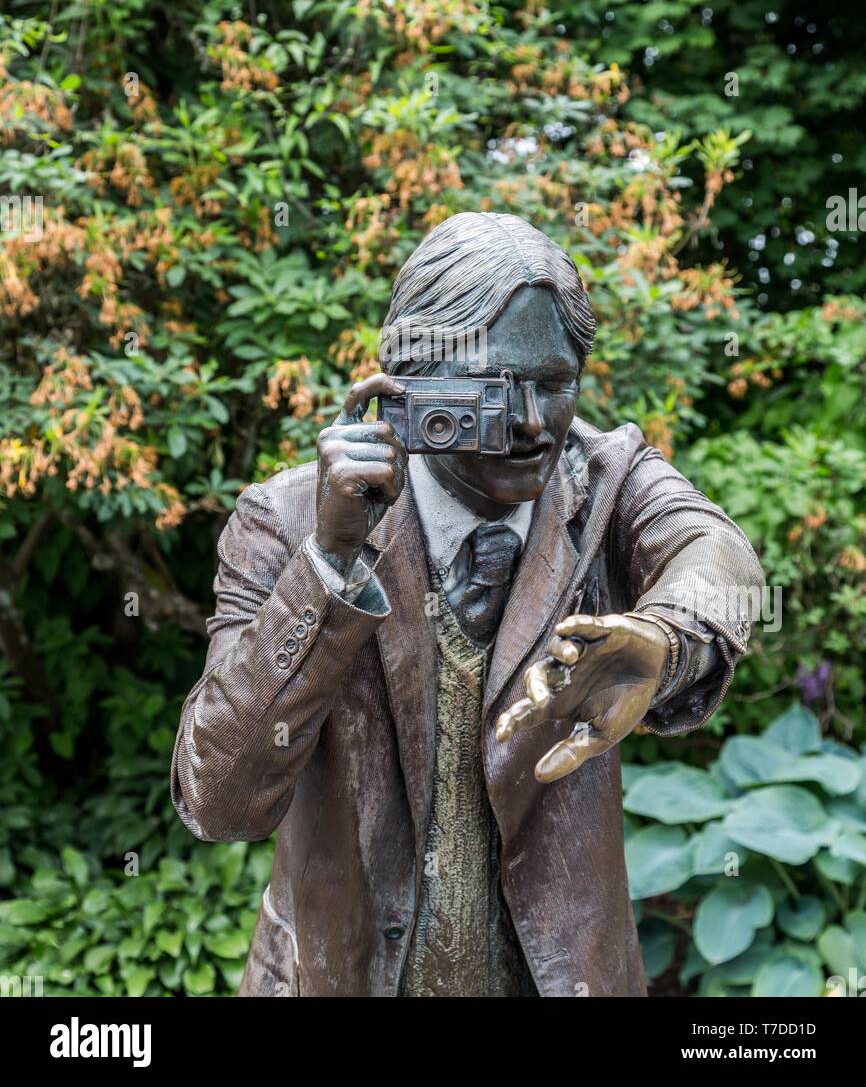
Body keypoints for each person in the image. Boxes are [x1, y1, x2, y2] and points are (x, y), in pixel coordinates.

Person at [171, 212, 764, 997]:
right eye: (496, 388)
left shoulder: (605, 482)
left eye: (554, 384)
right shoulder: (285, 521)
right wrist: (329, 564)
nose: (528, 424)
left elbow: (716, 554)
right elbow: (219, 799)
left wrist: (666, 637)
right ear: (409, 381)